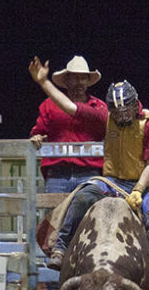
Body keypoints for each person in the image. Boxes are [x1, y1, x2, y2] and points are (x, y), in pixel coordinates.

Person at [30, 58, 149, 290]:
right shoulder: (105, 117)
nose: (121, 115)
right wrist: (43, 83)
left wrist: (139, 189)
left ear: (134, 105)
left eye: (125, 110)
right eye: (117, 111)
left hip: (142, 185)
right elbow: (70, 108)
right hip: (112, 182)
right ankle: (61, 247)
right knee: (83, 195)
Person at [29, 55, 107, 194]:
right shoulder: (48, 106)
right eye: (75, 77)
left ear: (88, 81)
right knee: (54, 214)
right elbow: (38, 133)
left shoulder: (99, 107)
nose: (79, 82)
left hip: (89, 172)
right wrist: (37, 138)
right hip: (58, 173)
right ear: (67, 80)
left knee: (91, 214)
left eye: (83, 78)